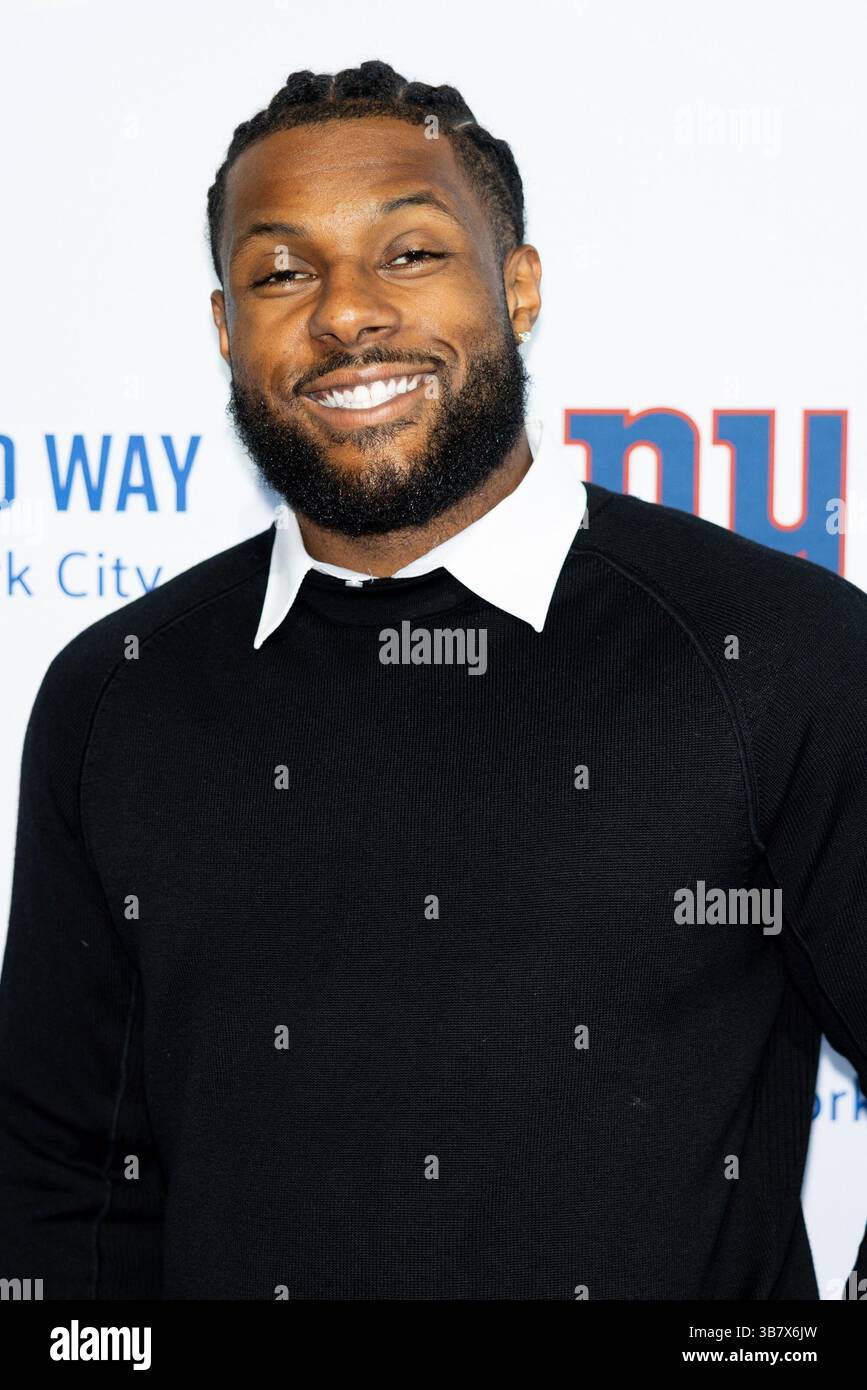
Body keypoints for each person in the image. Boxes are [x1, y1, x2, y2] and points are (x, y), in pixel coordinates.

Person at [1, 59, 866, 1301]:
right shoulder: (114, 696)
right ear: (225, 327)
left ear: (517, 287)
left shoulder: (774, 653)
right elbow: (58, 1174)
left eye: (408, 254)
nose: (346, 314)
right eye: (282, 271)